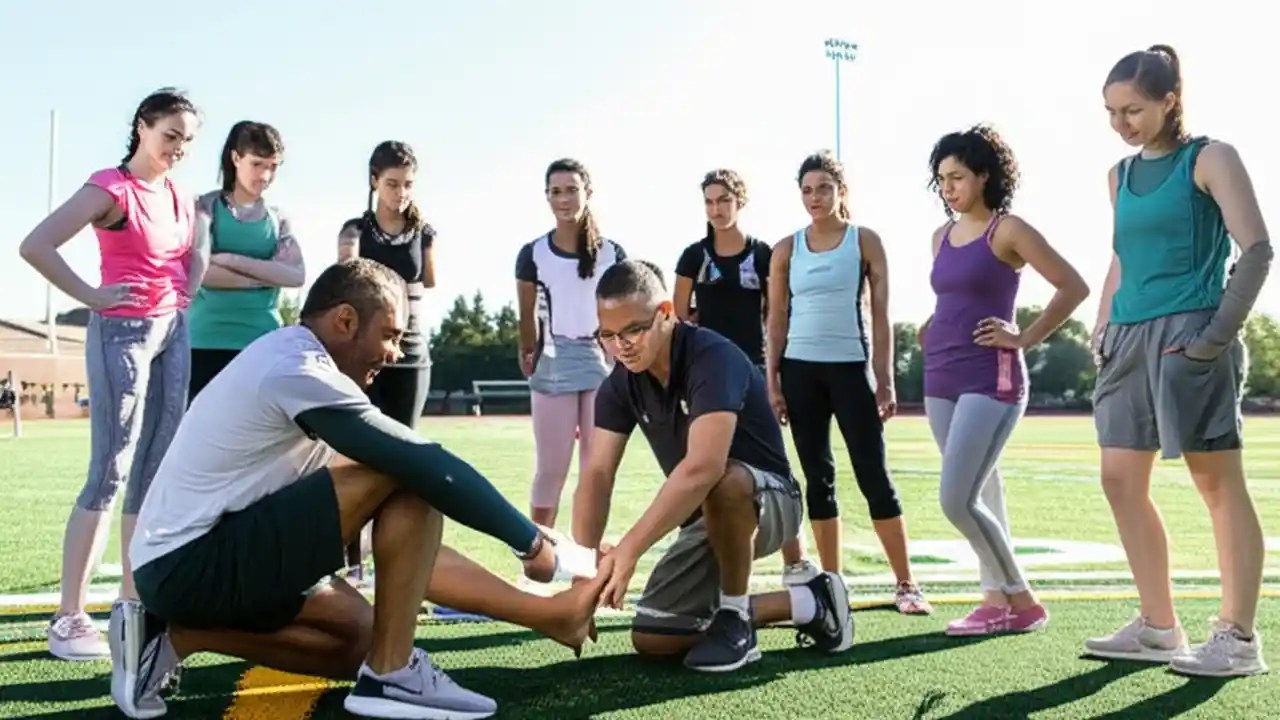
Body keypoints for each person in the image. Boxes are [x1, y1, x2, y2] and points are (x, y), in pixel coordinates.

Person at [113, 258, 612, 719]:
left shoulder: (303, 369)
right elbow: (425, 463)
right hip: (190, 563)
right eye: (390, 335)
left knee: (371, 640)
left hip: (193, 565)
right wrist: (532, 543)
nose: (395, 354)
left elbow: (408, 553)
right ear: (346, 321)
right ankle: (392, 678)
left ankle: (174, 635)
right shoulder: (296, 367)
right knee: (405, 469)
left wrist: (545, 612)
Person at [572, 259, 854, 673]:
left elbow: (704, 467)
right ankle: (811, 602)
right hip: (706, 516)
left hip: (769, 502)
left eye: (634, 329)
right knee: (654, 636)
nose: (622, 345)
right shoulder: (619, 384)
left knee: (723, 479)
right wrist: (585, 575)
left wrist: (629, 549)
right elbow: (597, 476)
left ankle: (736, 614)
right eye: (608, 335)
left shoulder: (712, 356)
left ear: (666, 313)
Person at [1086, 44, 1270, 677]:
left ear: (1170, 101)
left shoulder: (1211, 158)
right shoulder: (1118, 175)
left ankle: (1238, 638)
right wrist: (1103, 322)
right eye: (1111, 112)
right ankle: (1159, 627)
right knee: (1118, 481)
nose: (1122, 123)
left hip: (1191, 334)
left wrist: (1214, 338)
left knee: (1217, 485)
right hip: (1127, 340)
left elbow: (1257, 250)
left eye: (1133, 109)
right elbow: (1120, 258)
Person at [18, 88, 202, 662]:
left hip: (173, 332)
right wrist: (93, 296)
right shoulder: (110, 188)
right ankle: (68, 617)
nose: (178, 148)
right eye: (170, 135)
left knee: (154, 469)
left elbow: (192, 252)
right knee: (111, 468)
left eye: (187, 140)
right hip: (120, 331)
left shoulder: (177, 192)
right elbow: (36, 245)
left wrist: (184, 296)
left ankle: (131, 600)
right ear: (143, 127)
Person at [922, 124, 1089, 636]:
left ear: (985, 176)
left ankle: (1022, 599)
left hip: (989, 378)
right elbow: (951, 297)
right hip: (940, 376)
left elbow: (1073, 285)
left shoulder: (1008, 230)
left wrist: (1025, 337)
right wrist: (932, 326)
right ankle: (993, 601)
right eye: (941, 179)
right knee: (983, 492)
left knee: (956, 499)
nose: (948, 188)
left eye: (957, 177)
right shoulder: (940, 237)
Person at [765, 150, 931, 616]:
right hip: (800, 372)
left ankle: (906, 583)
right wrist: (772, 380)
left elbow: (881, 317)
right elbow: (776, 319)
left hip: (850, 370)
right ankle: (833, 585)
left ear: (841, 191)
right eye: (807, 190)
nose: (814, 198)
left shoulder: (864, 242)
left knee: (873, 474)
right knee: (818, 478)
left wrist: (886, 379)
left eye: (823, 188)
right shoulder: (785, 249)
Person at [673, 168, 819, 586]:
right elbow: (679, 318)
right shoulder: (694, 256)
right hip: (705, 376)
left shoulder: (762, 255)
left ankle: (797, 563)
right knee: (709, 466)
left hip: (753, 373)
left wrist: (774, 378)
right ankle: (711, 564)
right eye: (709, 202)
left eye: (724, 200)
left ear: (740, 202)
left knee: (774, 463)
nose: (716, 209)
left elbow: (775, 317)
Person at [337, 140, 438, 576]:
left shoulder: (424, 232)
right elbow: (344, 280)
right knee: (355, 454)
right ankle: (350, 560)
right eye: (392, 183)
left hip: (411, 355)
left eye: (408, 185)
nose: (400, 193)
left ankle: (396, 561)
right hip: (362, 357)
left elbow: (429, 282)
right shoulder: (354, 230)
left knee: (403, 456)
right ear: (375, 181)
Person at [516, 158, 626, 530]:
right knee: (551, 469)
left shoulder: (613, 253)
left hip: (602, 368)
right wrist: (527, 350)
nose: (564, 199)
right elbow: (526, 314)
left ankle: (586, 556)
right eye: (555, 192)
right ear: (546, 196)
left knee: (596, 469)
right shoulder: (533, 253)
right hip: (552, 365)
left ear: (588, 192)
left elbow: (622, 311)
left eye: (572, 190)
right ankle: (538, 554)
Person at [187, 120, 303, 400]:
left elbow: (296, 276)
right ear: (236, 158)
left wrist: (229, 259)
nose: (265, 175)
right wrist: (267, 275)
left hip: (262, 344)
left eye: (272, 166)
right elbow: (198, 271)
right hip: (204, 342)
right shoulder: (205, 207)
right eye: (257, 164)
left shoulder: (278, 218)